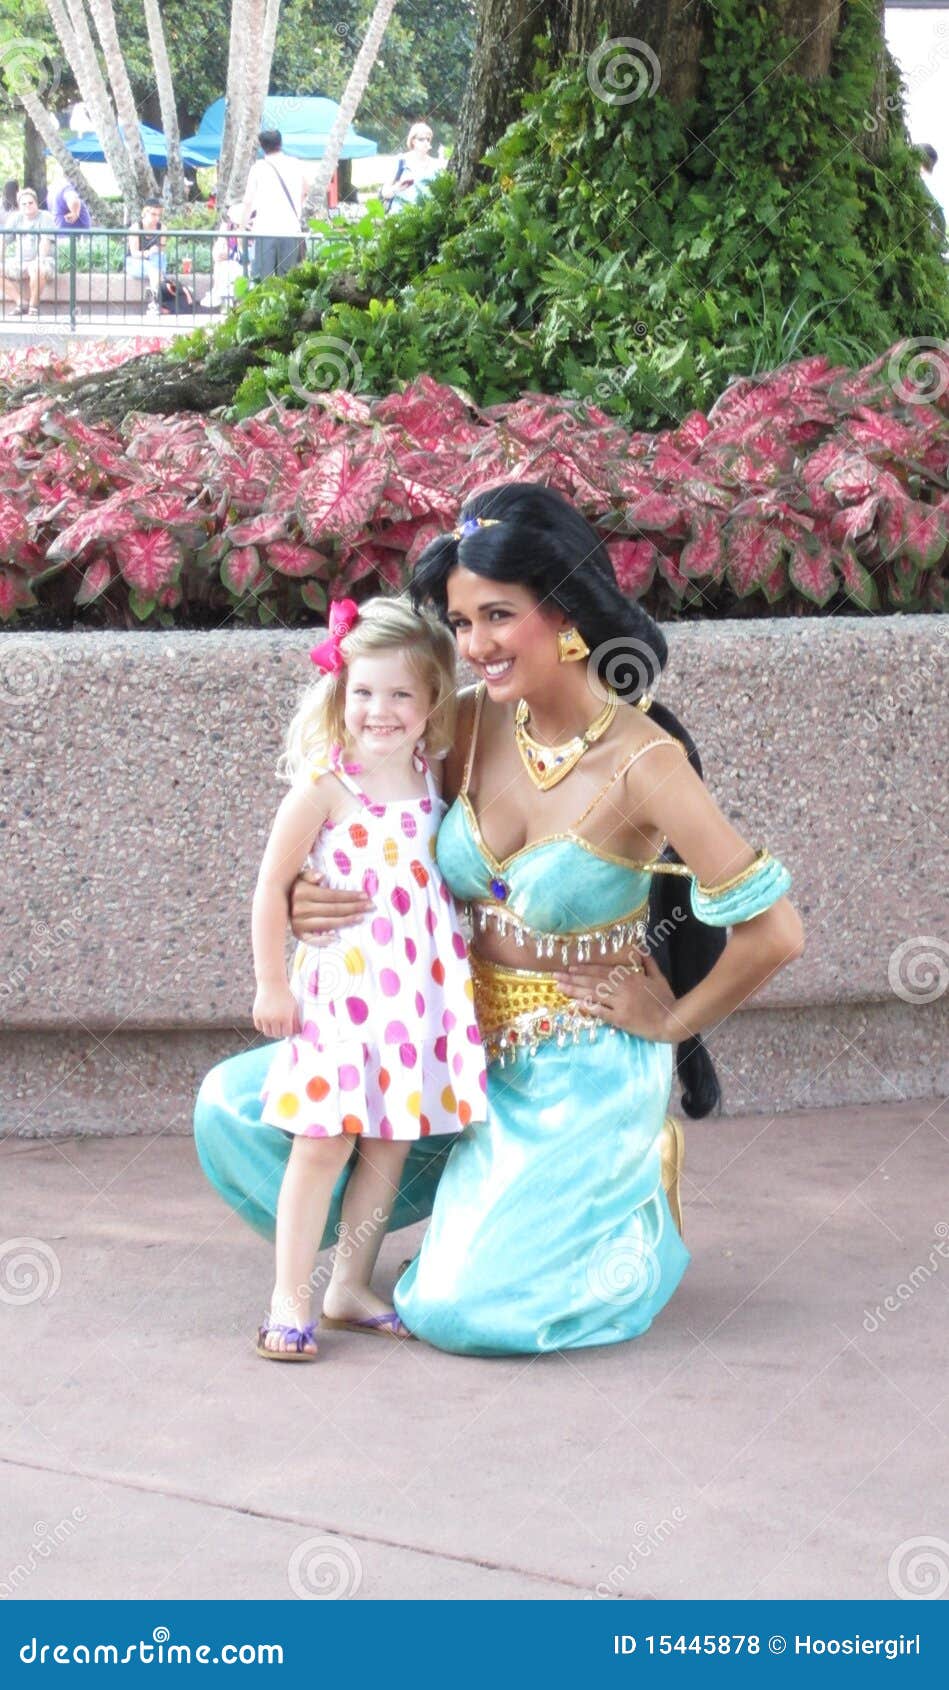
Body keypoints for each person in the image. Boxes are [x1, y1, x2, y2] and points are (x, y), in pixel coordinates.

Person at [195, 483, 804, 1357]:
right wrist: (300, 895)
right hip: (438, 1032)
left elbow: (776, 933)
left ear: (563, 610)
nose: (473, 645)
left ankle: (619, 1214)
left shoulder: (645, 760)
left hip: (573, 1067)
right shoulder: (467, 726)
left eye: (497, 616)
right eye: (460, 621)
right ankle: (479, 1208)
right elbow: (371, 820)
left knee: (460, 1313)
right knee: (232, 1110)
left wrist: (672, 1021)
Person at [249, 596, 486, 1361]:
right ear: (337, 691)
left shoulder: (429, 777)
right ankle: (289, 1298)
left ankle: (349, 1284)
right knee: (321, 1142)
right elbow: (269, 888)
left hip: (413, 993)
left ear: (429, 706)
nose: (378, 710)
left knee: (389, 1141)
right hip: (342, 994)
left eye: (399, 695)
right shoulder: (324, 784)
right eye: (362, 691)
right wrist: (270, 985)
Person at [240, 129, 309, 281]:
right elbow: (305, 190)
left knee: (263, 281)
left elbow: (248, 202)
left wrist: (242, 229)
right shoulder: (296, 164)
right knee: (288, 282)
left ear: (261, 146)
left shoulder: (258, 168)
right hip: (290, 230)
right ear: (281, 143)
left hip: (265, 231)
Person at [0, 186, 56, 318]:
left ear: (36, 203)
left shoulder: (45, 217)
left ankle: (33, 306)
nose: (27, 206)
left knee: (36, 268)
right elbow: (3, 240)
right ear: (19, 205)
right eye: (24, 204)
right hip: (19, 262)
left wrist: (38, 260)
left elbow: (45, 242)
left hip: (44, 261)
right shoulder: (15, 218)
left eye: (30, 203)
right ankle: (20, 303)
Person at [381, 122, 442, 213]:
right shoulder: (401, 161)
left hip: (425, 218)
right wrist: (397, 189)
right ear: (413, 141)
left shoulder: (435, 164)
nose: (425, 142)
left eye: (428, 139)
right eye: (421, 139)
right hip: (400, 216)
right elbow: (385, 192)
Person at [201, 202, 247, 313]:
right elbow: (217, 252)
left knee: (231, 268)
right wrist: (223, 254)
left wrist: (229, 254)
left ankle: (231, 303)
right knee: (222, 266)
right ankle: (224, 302)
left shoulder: (247, 229)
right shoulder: (226, 227)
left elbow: (246, 256)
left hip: (243, 265)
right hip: (228, 264)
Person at [125, 198, 166, 315]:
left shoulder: (162, 228)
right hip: (135, 262)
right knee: (155, 270)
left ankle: (153, 303)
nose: (156, 218)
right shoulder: (136, 228)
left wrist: (156, 251)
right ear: (145, 213)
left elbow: (162, 249)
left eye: (159, 215)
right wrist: (148, 252)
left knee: (157, 262)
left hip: (155, 261)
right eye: (153, 214)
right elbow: (134, 253)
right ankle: (154, 302)